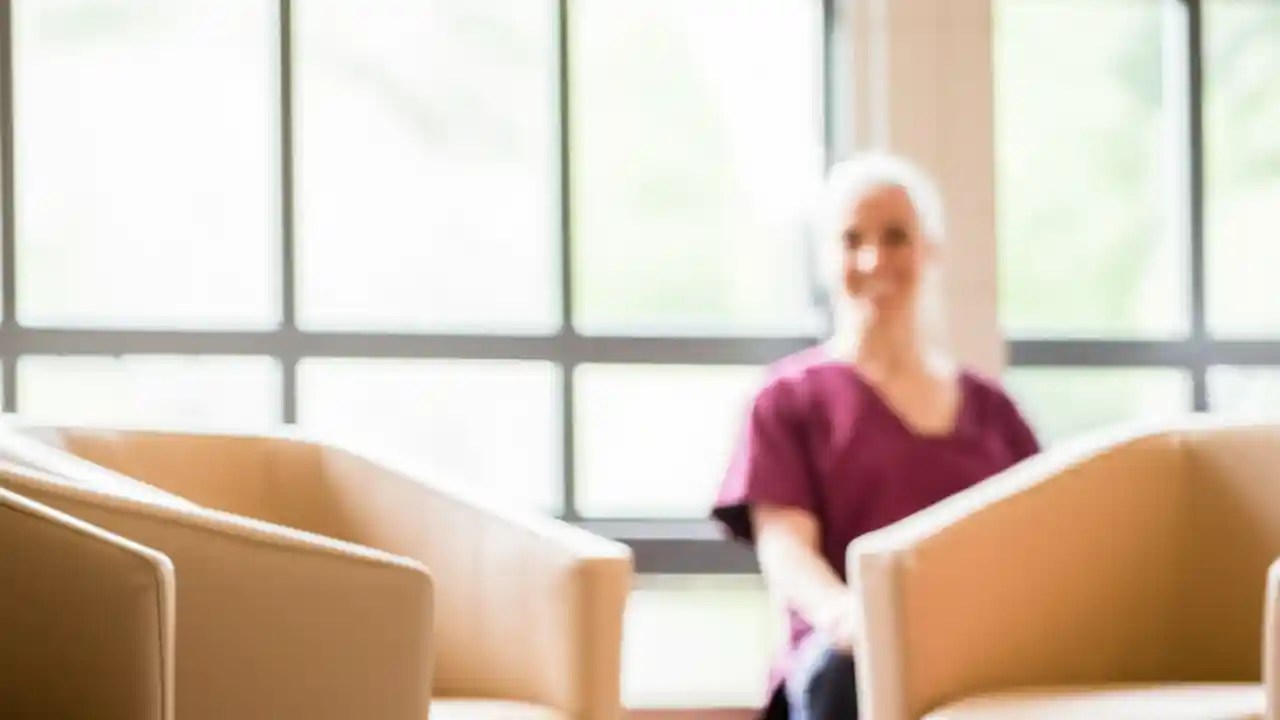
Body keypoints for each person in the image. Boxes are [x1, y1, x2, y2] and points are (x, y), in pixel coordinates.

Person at [711, 153, 1041, 720]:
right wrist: (850, 618)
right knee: (844, 678)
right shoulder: (788, 400)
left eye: (895, 238)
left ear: (930, 251)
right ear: (824, 259)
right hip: (846, 661)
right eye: (851, 239)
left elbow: (1037, 540)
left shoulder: (992, 409)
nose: (873, 258)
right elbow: (786, 548)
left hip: (973, 655)